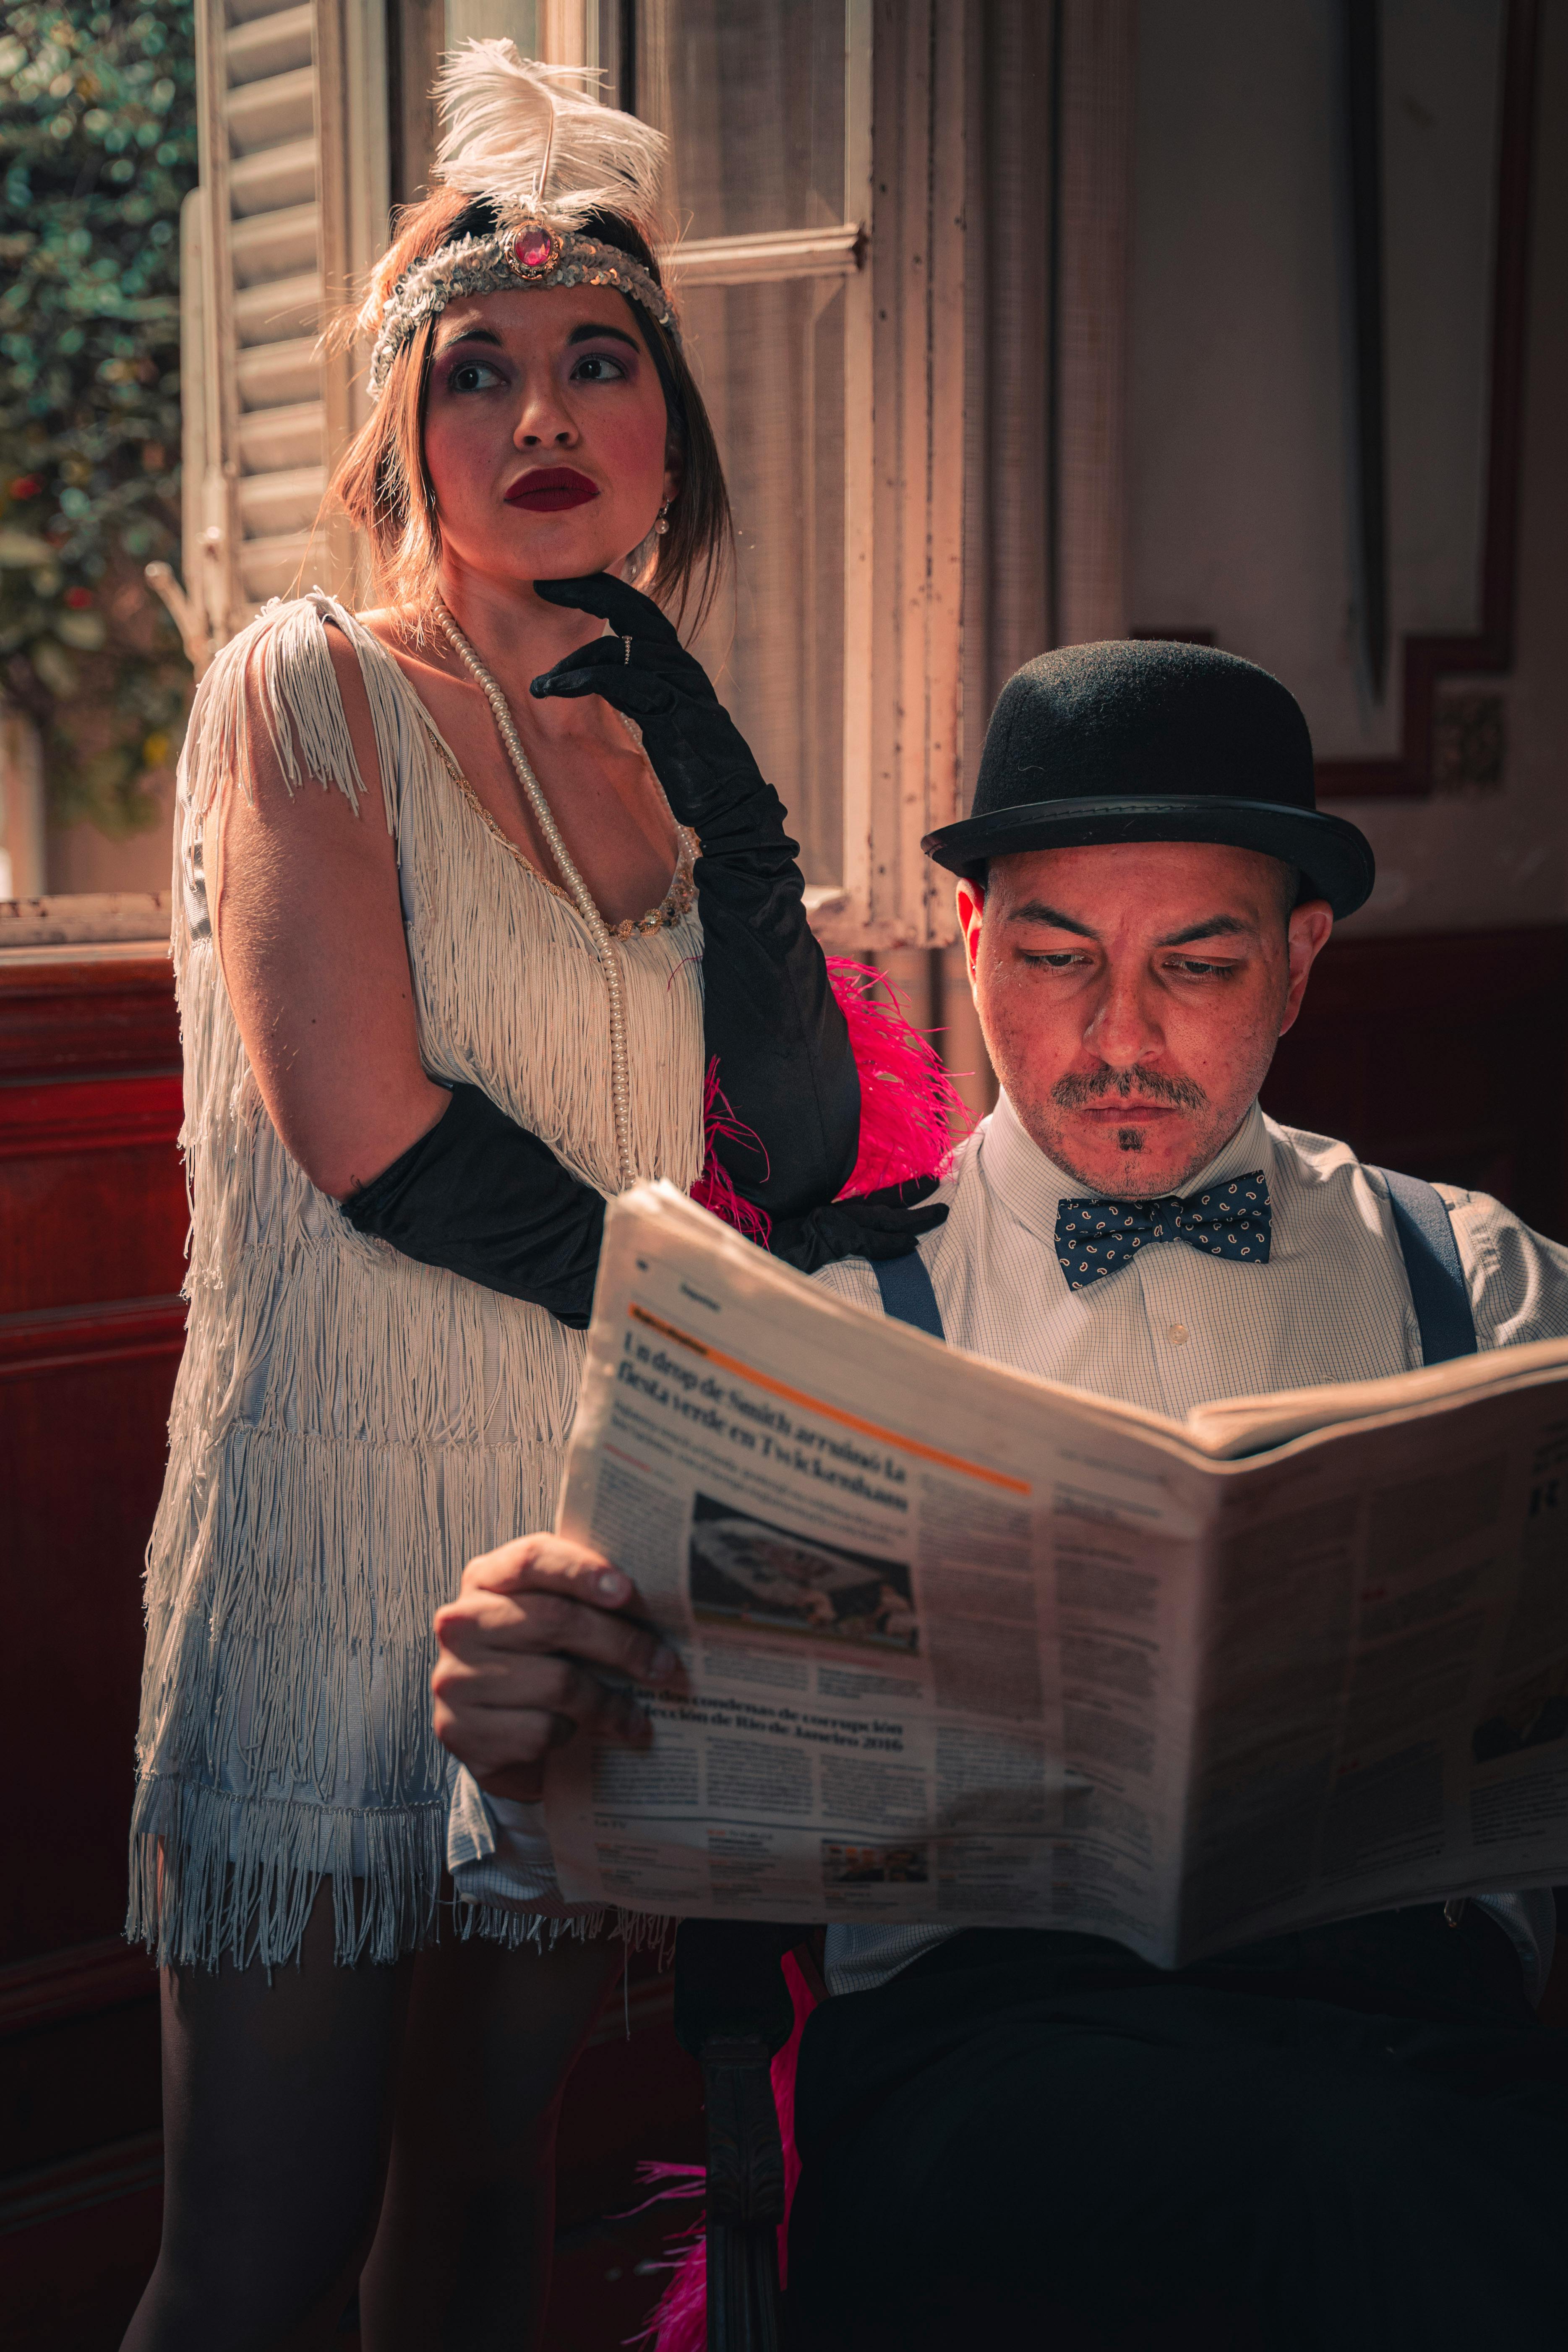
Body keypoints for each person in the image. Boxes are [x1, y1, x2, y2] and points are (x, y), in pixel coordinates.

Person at [432, 641, 1568, 2351]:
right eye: (1053, 959)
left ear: (1297, 963)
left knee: (1412, 2173)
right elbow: (546, 1845)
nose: (1120, 1036)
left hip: (1410, 2024)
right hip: (983, 2062)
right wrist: (523, 1730)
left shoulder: (1480, 1283)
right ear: (970, 945)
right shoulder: (813, 1323)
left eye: (1197, 964)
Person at [122, 45, 945, 2352]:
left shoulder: (654, 754)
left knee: (493, 2194)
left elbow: (795, 1140)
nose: (541, 408)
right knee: (257, 2255)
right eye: (473, 369)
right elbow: (374, 1137)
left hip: (570, 1555)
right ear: (402, 439)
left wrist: (733, 805)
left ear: (669, 431)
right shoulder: (305, 687)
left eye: (599, 359)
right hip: (328, 1531)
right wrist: (715, 1324)